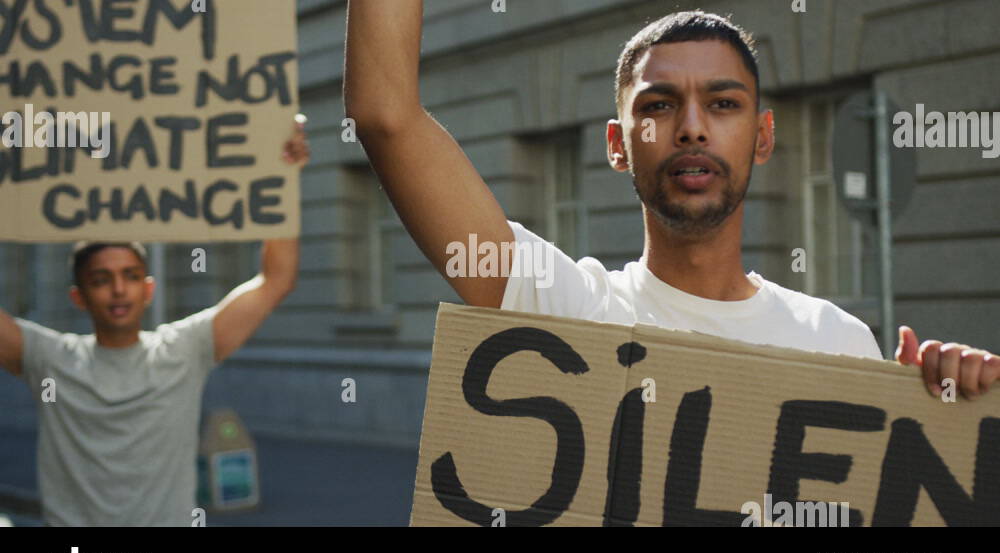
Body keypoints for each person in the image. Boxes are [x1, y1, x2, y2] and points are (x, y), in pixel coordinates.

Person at [343, 3, 997, 399]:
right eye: (658, 106)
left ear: (763, 136)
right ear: (618, 145)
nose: (690, 127)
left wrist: (950, 414)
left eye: (723, 104)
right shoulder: (566, 308)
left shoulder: (837, 341)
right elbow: (385, 116)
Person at [0, 122, 311, 526]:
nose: (117, 290)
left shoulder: (186, 348)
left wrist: (283, 178)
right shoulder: (49, 358)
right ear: (78, 296)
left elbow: (276, 280)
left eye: (130, 276)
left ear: (148, 289)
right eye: (100, 279)